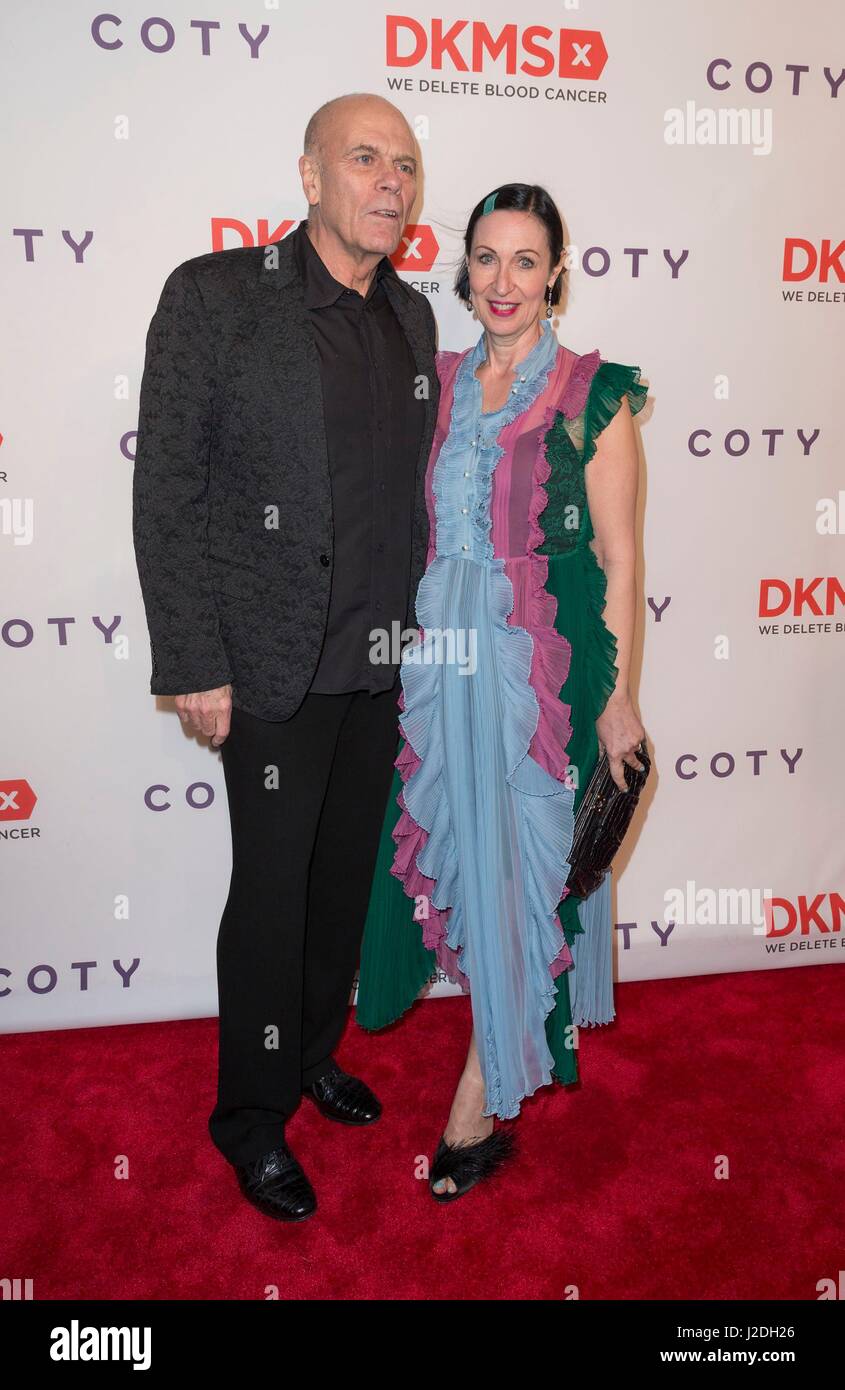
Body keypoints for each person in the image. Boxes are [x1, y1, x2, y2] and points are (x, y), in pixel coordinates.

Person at [132, 92, 439, 1221]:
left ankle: (311, 1053)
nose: (389, 182)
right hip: (263, 665)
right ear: (309, 178)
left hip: (377, 665)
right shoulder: (215, 300)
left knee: (335, 884)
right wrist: (193, 658)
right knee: (268, 894)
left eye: (404, 164)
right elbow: (166, 490)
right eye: (364, 159)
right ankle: (250, 1117)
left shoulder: (411, 320)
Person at [355, 183, 649, 1199]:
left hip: (542, 674)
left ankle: (479, 1093)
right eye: (485, 258)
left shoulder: (590, 391)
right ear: (463, 267)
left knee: (527, 867)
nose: (502, 281)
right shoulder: (432, 382)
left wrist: (616, 696)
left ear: (555, 272)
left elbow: (618, 558)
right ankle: (495, 1038)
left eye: (525, 260)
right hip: (442, 664)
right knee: (467, 859)